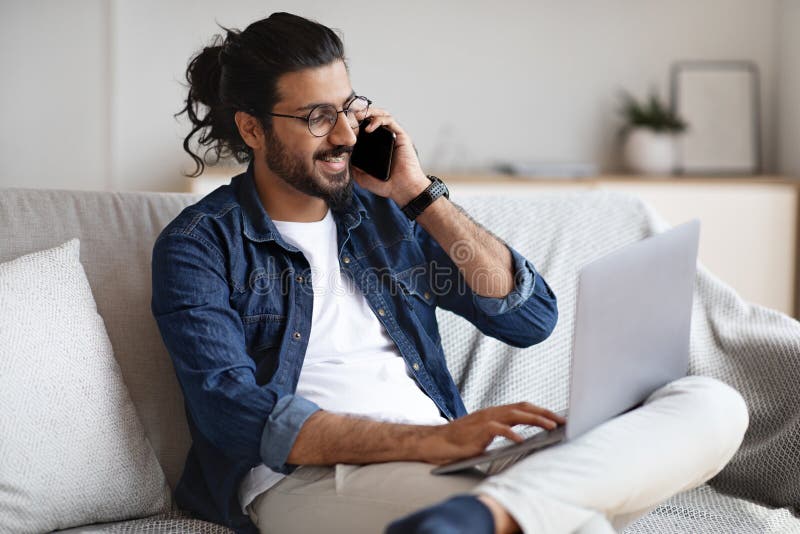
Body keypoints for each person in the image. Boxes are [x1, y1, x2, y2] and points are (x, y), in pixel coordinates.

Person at [151, 12, 749, 534]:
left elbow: (529, 317)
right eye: (315, 117)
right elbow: (229, 411)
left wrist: (418, 193)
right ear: (252, 128)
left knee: (712, 403)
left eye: (347, 109)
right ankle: (502, 512)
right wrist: (432, 440)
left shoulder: (386, 212)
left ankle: (485, 516)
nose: (342, 135)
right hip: (308, 481)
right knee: (577, 521)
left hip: (455, 461)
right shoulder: (199, 246)